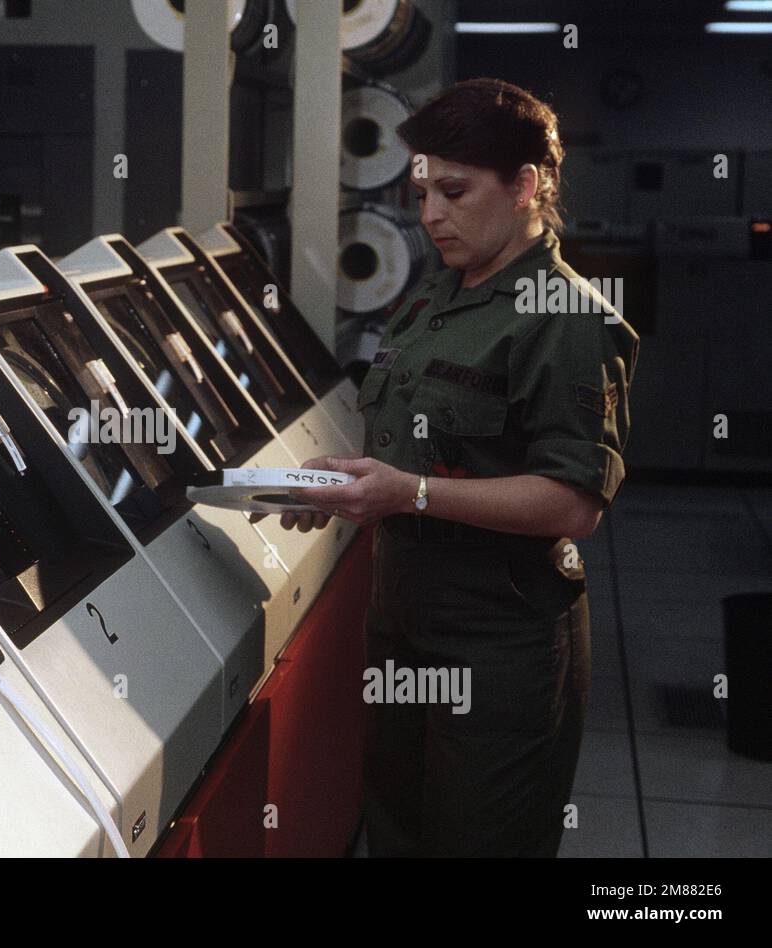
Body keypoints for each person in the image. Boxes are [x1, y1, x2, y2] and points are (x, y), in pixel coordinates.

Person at [254, 78, 639, 856]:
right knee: (397, 833)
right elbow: (417, 449)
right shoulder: (433, 298)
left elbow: (573, 505)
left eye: (455, 192)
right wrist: (348, 482)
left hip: (501, 643)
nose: (431, 216)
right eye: (424, 192)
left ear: (527, 185)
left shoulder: (566, 322)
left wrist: (411, 492)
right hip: (402, 625)